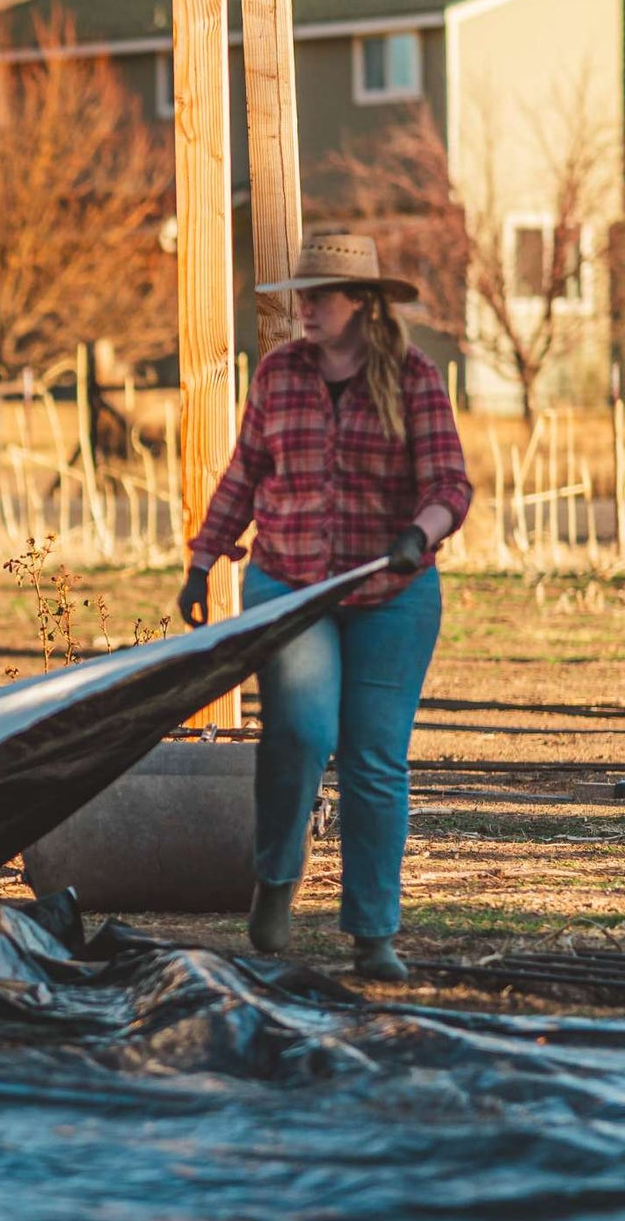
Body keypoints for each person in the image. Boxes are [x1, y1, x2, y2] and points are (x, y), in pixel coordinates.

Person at [175, 231, 472, 982]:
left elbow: (450, 487)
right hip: (291, 584)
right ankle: (276, 878)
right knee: (301, 736)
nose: (304, 307)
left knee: (374, 759)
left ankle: (373, 933)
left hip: (392, 592)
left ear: (363, 304)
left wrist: (419, 532)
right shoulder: (278, 374)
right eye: (299, 295)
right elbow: (245, 472)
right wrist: (204, 558)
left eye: (320, 295)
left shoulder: (412, 377)